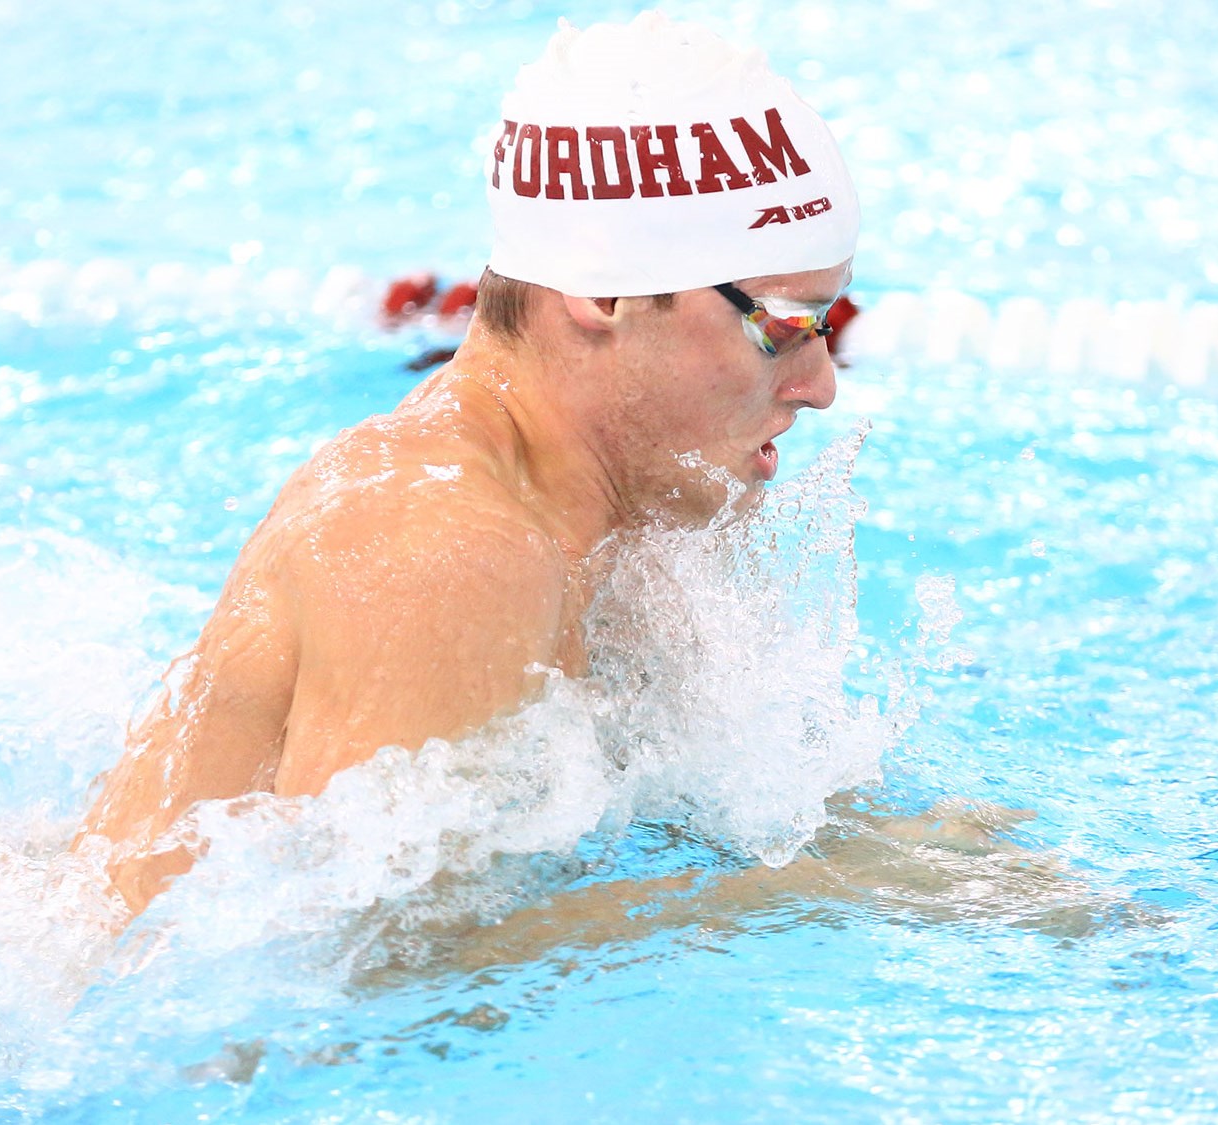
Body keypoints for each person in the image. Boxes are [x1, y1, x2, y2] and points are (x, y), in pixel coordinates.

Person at [75, 12, 858, 918]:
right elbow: (362, 977)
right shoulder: (443, 549)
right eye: (785, 327)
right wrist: (813, 897)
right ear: (604, 293)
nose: (820, 384)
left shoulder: (617, 506)